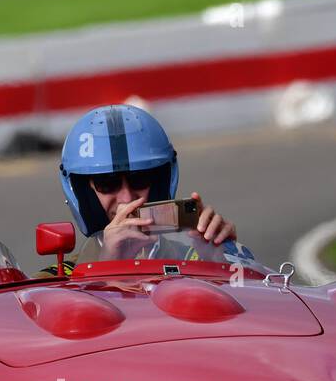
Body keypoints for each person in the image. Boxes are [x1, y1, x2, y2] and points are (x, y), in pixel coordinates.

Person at [52, 104, 244, 273]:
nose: (127, 198)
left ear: (159, 182)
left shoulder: (194, 256)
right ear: (84, 193)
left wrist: (222, 258)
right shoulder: (58, 280)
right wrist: (107, 263)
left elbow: (249, 295)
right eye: (107, 184)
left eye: (140, 179)